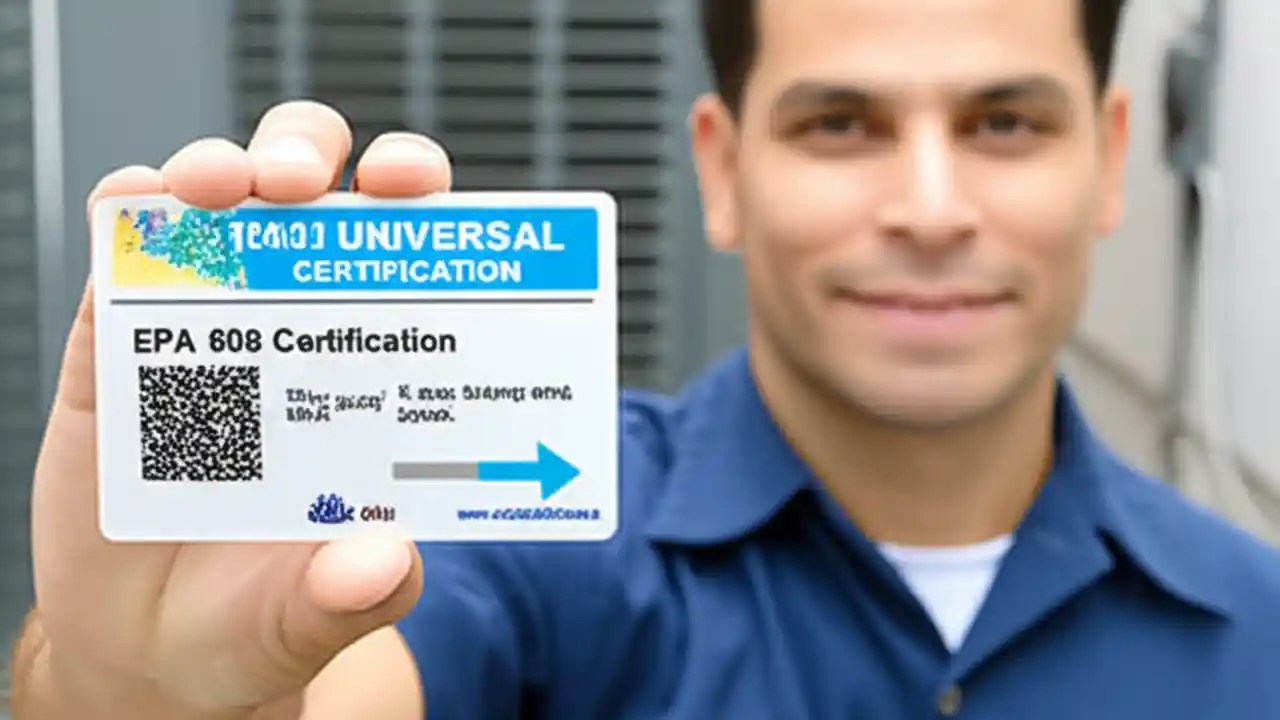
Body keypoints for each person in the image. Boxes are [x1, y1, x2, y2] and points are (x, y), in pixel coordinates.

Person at [11, 0, 1280, 717]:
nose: (931, 207)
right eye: (840, 123)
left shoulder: (1261, 631)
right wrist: (134, 695)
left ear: (1109, 158)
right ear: (723, 169)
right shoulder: (522, 541)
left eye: (1003, 122)